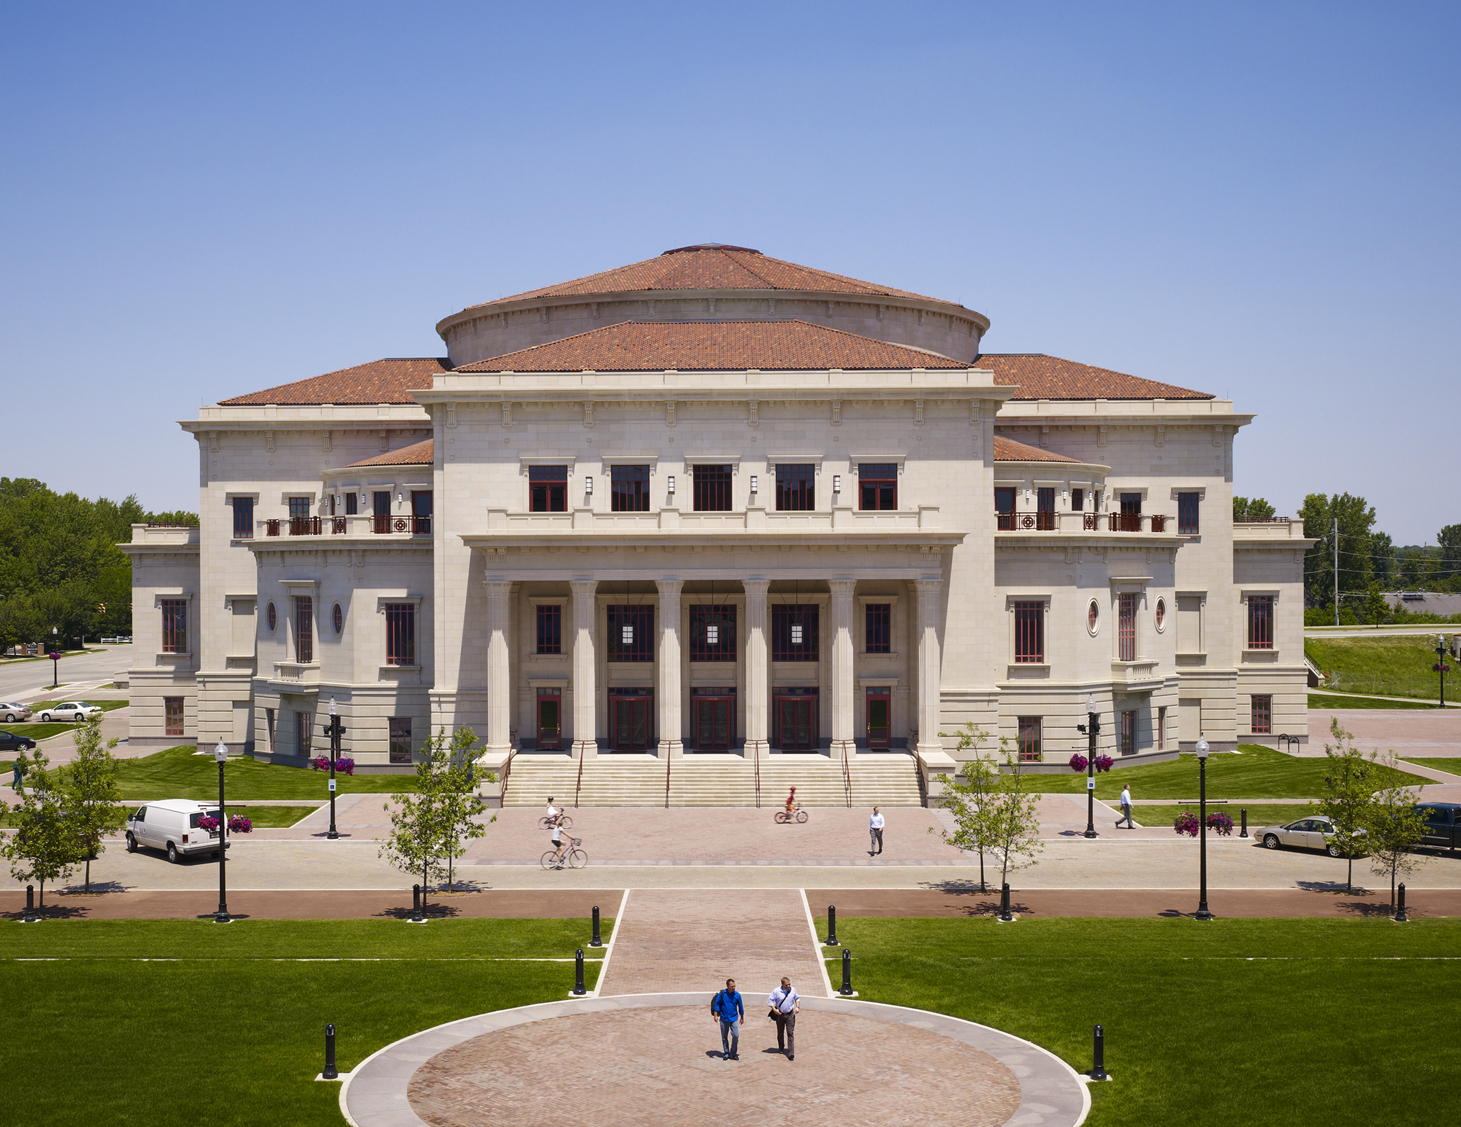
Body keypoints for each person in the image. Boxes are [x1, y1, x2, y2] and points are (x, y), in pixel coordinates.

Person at [711, 977, 744, 1060]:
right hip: (724, 1018)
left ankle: (733, 1052)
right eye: (732, 986)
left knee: (736, 1035)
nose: (734, 988)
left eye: (734, 986)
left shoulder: (737, 995)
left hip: (734, 1018)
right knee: (724, 1036)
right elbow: (716, 1004)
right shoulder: (722, 994)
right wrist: (715, 1015)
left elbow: (740, 1006)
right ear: (727, 986)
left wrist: (742, 1017)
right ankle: (726, 1052)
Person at [768, 976, 799, 1060]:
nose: (788, 986)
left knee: (790, 1033)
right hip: (780, 1015)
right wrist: (774, 1010)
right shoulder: (776, 991)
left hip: (790, 1015)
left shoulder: (793, 990)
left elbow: (797, 998)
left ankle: (791, 1053)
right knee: (780, 1032)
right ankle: (781, 1047)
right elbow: (770, 1001)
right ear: (782, 984)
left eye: (789, 984)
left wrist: (797, 1007)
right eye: (786, 985)